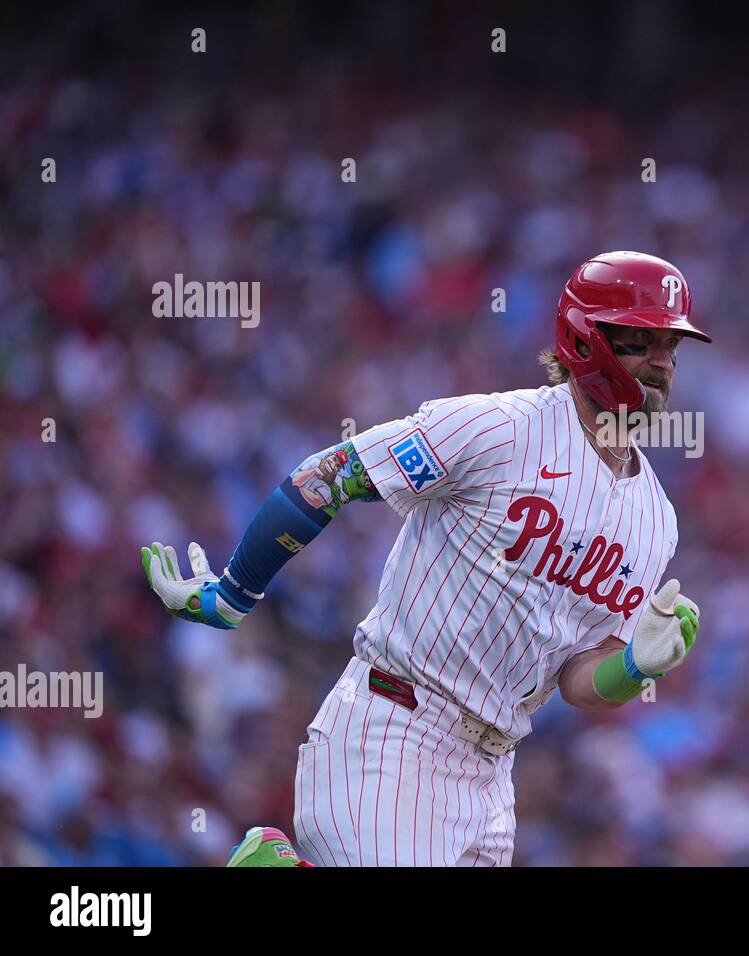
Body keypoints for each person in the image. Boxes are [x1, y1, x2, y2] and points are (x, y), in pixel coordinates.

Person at [143, 251, 707, 866]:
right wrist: (233, 592)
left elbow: (578, 680)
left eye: (671, 346)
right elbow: (331, 475)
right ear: (584, 337)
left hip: (492, 774)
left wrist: (635, 667)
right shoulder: (500, 428)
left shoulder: (657, 520)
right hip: (395, 728)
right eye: (640, 340)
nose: (661, 361)